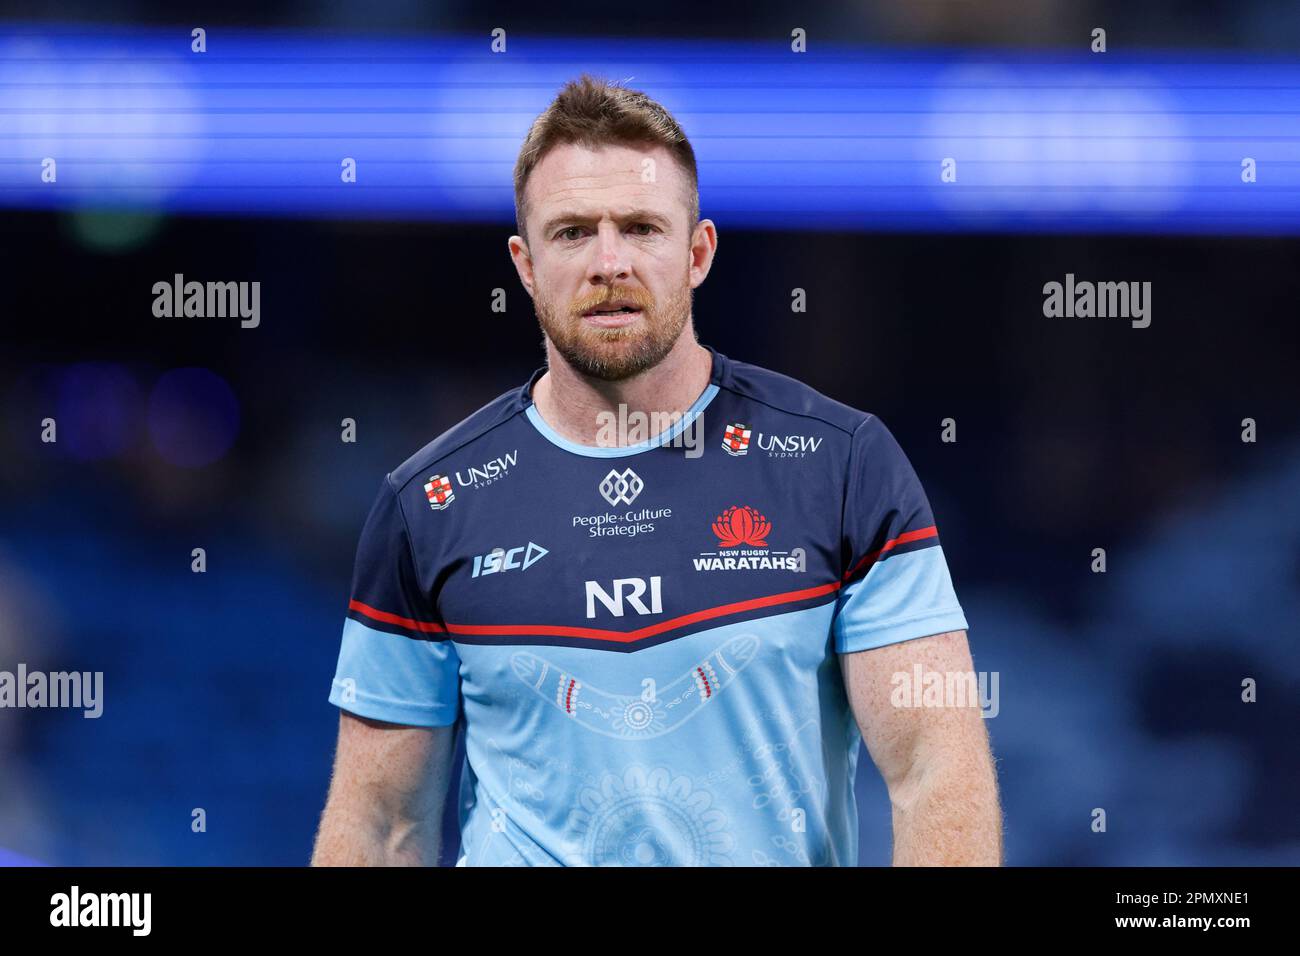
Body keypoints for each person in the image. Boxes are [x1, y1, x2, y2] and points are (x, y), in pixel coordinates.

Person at [311, 73, 1001, 866]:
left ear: (698, 251)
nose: (611, 263)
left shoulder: (842, 466)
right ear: (525, 263)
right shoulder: (427, 505)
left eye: (641, 227)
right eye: (572, 232)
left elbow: (936, 771)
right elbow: (378, 826)